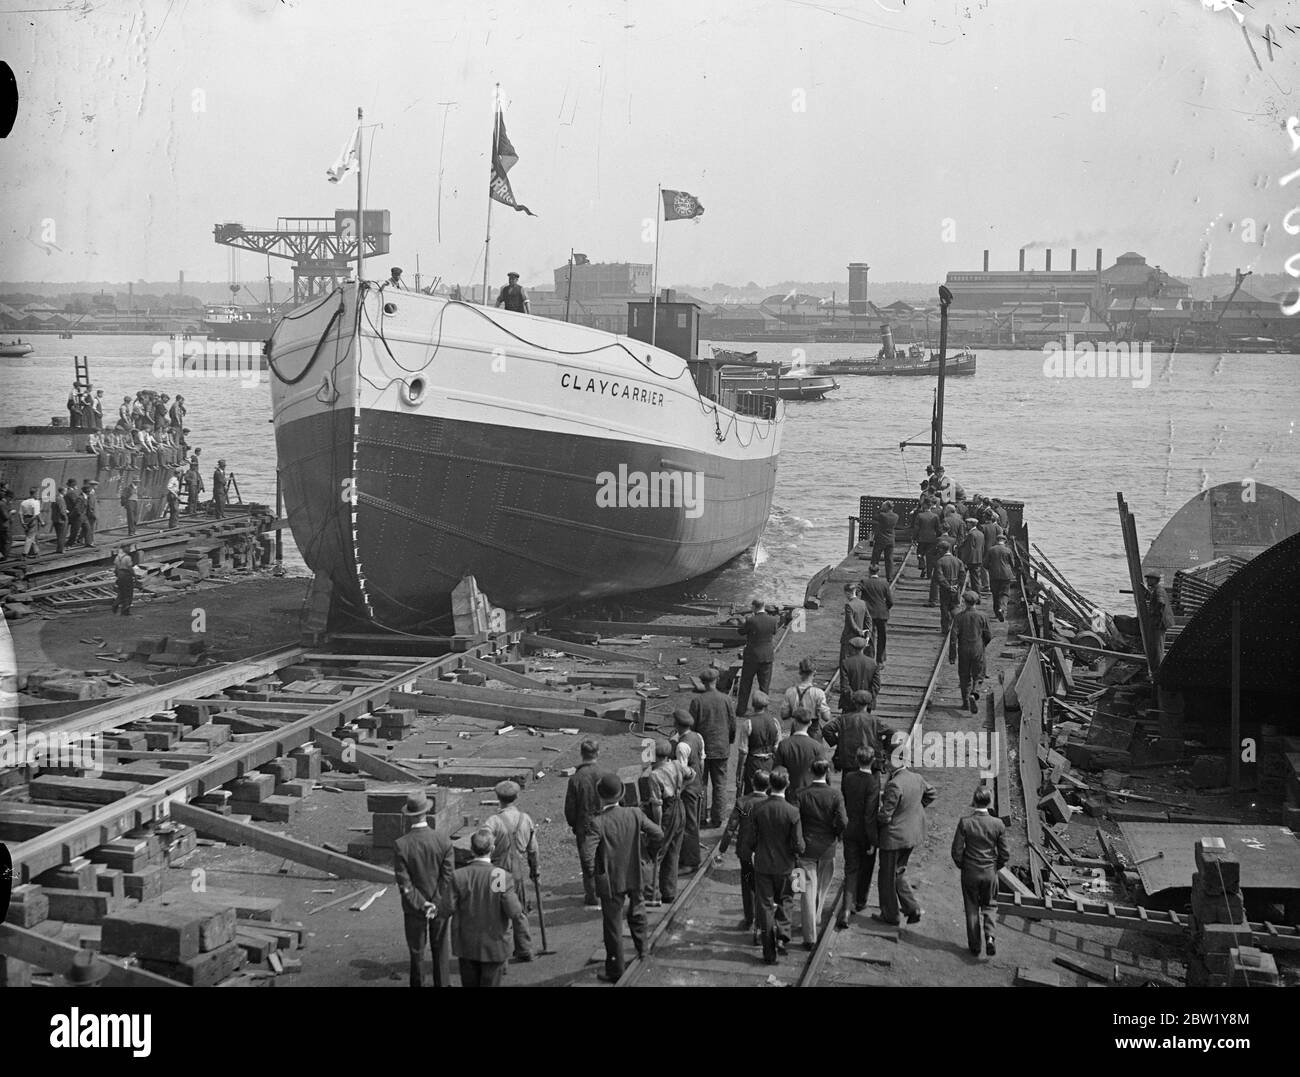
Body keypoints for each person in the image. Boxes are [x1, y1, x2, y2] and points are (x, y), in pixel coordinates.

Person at [592, 772, 662, 983]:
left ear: (601, 796)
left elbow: (587, 855)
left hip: (611, 881)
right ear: (621, 793)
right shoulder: (634, 813)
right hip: (635, 873)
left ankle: (615, 968)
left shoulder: (598, 822)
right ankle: (643, 951)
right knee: (638, 912)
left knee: (612, 925)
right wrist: (649, 854)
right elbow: (657, 834)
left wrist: (596, 873)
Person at [740, 766, 804, 964]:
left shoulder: (758, 809)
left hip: (763, 865)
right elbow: (799, 846)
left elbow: (750, 840)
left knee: (765, 905)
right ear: (787, 785)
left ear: (770, 785)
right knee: (787, 899)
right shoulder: (793, 812)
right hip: (786, 867)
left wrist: (748, 856)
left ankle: (768, 950)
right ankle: (783, 935)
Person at [392, 791, 454, 988]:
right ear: (427, 813)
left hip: (414, 907)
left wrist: (422, 903)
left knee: (417, 951)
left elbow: (404, 882)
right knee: (440, 949)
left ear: (408, 816)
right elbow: (447, 877)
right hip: (440, 904)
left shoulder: (401, 845)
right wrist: (435, 902)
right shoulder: (443, 840)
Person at [448, 828, 523, 988]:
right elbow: (514, 911)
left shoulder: (460, 875)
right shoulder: (499, 876)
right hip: (494, 944)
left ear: (471, 849)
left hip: (466, 944)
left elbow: (447, 907)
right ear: (492, 849)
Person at [875, 733, 937, 927]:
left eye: (888, 759)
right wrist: (916, 810)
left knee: (887, 876)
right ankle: (911, 908)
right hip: (912, 834)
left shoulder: (895, 784)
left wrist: (874, 814)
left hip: (894, 837)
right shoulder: (916, 777)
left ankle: (891, 915)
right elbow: (932, 793)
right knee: (898, 872)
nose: (885, 763)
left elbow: (885, 816)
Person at [484, 780, 539, 962]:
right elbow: (533, 850)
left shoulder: (493, 821)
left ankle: (502, 955)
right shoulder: (526, 819)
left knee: (498, 912)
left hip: (498, 872)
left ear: (498, 797)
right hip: (518, 871)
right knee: (519, 910)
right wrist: (534, 870)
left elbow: (484, 846)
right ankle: (525, 949)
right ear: (516, 797)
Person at [951, 786, 1009, 957]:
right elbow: (1005, 853)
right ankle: (990, 937)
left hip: (970, 871)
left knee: (971, 907)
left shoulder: (965, 822)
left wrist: (964, 865)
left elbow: (956, 851)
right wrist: (995, 866)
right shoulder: (998, 824)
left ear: (974, 801)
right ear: (989, 802)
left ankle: (975, 947)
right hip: (989, 871)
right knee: (990, 905)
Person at [793, 757, 846, 948]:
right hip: (827, 848)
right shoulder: (835, 795)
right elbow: (843, 821)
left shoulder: (800, 795)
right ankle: (816, 917)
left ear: (811, 772)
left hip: (805, 848)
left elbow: (794, 821)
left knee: (805, 889)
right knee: (823, 886)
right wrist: (837, 835)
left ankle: (809, 936)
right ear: (827, 773)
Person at [718, 768, 770, 940]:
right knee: (763, 887)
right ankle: (762, 922)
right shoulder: (771, 803)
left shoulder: (742, 803)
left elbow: (731, 826)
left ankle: (750, 917)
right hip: (765, 853)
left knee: (748, 884)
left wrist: (723, 848)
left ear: (753, 783)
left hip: (746, 852)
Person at [837, 745, 881, 928]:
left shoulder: (848, 778)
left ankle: (846, 910)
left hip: (849, 829)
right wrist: (873, 839)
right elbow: (870, 814)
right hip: (864, 832)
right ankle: (860, 901)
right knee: (867, 866)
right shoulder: (873, 782)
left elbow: (846, 800)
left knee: (851, 869)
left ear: (857, 759)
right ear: (872, 761)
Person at [645, 738, 692, 906]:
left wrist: (657, 828)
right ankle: (669, 893)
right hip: (680, 806)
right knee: (673, 851)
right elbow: (691, 774)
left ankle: (652, 895)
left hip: (667, 811)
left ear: (657, 756)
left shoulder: (654, 775)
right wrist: (682, 787)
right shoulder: (677, 765)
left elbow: (657, 805)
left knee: (656, 852)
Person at [688, 666, 735, 829]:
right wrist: (729, 740)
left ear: (702, 682)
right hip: (721, 748)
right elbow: (732, 723)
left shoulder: (696, 701)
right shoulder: (726, 699)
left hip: (702, 749)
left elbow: (691, 727)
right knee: (720, 784)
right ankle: (718, 818)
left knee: (701, 783)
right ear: (717, 680)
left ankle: (701, 817)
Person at [563, 738, 606, 909]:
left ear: (581, 754)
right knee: (604, 858)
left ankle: (592, 896)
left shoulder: (576, 779)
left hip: (585, 826)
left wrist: (574, 824)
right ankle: (606, 891)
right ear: (598, 753)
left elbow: (570, 808)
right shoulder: (605, 773)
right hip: (605, 823)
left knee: (587, 860)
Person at [822, 689, 888, 777]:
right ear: (869, 703)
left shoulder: (843, 719)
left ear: (854, 702)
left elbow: (827, 729)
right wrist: (883, 745)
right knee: (872, 787)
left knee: (849, 786)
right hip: (871, 761)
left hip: (849, 761)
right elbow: (892, 732)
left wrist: (838, 742)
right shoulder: (875, 721)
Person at [670, 710, 705, 871]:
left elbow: (682, 772)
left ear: (676, 724)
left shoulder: (682, 746)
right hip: (697, 784)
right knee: (692, 822)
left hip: (687, 789)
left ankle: (690, 862)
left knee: (687, 825)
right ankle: (691, 856)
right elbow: (701, 762)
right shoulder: (698, 737)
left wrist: (677, 791)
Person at [950, 591, 992, 714]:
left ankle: (966, 703)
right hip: (977, 648)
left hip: (963, 649)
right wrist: (983, 644)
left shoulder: (959, 617)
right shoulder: (983, 616)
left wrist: (952, 655)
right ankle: (974, 693)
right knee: (979, 674)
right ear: (976, 602)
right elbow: (988, 635)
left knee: (964, 676)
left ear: (964, 602)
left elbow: (953, 638)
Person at [772, 709, 827, 801]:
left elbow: (777, 770)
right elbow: (823, 773)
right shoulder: (817, 746)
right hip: (810, 794)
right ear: (810, 723)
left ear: (795, 723)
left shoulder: (784, 744)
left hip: (789, 793)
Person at [736, 598, 779, 716]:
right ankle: (762, 711)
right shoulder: (773, 620)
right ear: (764, 606)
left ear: (754, 607)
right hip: (767, 656)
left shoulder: (751, 620)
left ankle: (741, 710)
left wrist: (743, 621)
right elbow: (774, 632)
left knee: (745, 684)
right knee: (764, 685)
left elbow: (741, 632)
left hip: (752, 657)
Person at [734, 690, 780, 797]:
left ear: (753, 705)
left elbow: (743, 752)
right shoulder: (775, 722)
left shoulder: (748, 723)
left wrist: (739, 771)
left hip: (753, 764)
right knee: (769, 794)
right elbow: (777, 747)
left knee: (752, 794)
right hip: (770, 763)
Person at [779, 657, 831, 741]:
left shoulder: (790, 691)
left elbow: (784, 715)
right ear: (814, 672)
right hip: (813, 731)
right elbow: (826, 717)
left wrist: (794, 709)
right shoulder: (818, 693)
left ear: (800, 672)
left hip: (796, 729)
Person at [859, 563, 894, 664]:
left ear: (869, 571)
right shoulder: (884, 583)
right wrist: (886, 608)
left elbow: (856, 590)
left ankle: (869, 658)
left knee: (869, 636)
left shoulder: (864, 582)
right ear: (878, 571)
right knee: (882, 637)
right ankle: (880, 659)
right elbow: (890, 601)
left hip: (869, 614)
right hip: (882, 614)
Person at [837, 638, 881, 713]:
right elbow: (876, 686)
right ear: (864, 647)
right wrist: (867, 698)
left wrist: (854, 698)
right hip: (866, 704)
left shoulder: (846, 663)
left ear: (852, 648)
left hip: (849, 704)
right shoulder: (873, 663)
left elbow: (845, 686)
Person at [934, 539, 967, 634]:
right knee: (956, 606)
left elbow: (939, 577)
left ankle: (945, 629)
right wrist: (957, 586)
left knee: (944, 608)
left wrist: (948, 587)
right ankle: (958, 626)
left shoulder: (940, 561)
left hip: (945, 589)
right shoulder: (958, 561)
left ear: (942, 550)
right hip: (956, 588)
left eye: (939, 549)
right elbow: (963, 575)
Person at [984, 534, 1015, 622]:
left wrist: (990, 569)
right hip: (1006, 575)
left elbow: (985, 564)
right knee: (1005, 593)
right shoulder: (1008, 550)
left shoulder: (991, 550)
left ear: (997, 540)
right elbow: (1013, 564)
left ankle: (997, 613)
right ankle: (1002, 609)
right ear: (1004, 541)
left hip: (994, 575)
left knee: (995, 594)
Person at [1145, 571, 1175, 658]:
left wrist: (1153, 612)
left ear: (1155, 580)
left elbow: (1160, 603)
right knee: (1159, 644)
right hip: (1160, 622)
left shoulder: (1158, 590)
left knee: (1158, 645)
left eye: (1149, 579)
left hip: (1159, 622)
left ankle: (1158, 666)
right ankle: (1158, 663)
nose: (1147, 581)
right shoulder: (1158, 589)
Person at [913, 498, 942, 581]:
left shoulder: (920, 515)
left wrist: (914, 538)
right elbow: (938, 529)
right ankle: (929, 574)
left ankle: (923, 567)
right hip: (932, 539)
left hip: (921, 538)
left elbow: (916, 528)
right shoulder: (935, 516)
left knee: (920, 554)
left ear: (925, 505)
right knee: (930, 557)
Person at [840, 583, 869, 662]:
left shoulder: (849, 605)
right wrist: (867, 634)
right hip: (860, 638)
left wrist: (860, 632)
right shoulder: (863, 603)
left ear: (847, 593)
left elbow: (851, 622)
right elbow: (868, 620)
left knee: (845, 660)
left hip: (849, 637)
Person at [959, 517, 987, 595]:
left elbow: (969, 549)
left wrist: (964, 561)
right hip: (978, 558)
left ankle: (961, 596)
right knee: (976, 579)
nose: (966, 525)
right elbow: (982, 547)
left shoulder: (971, 534)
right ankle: (977, 596)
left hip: (970, 560)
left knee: (963, 578)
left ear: (971, 524)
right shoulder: (981, 533)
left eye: (968, 524)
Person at [871, 500, 898, 577]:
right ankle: (889, 577)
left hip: (881, 539)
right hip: (890, 539)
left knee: (875, 558)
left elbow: (875, 516)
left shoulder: (882, 515)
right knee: (889, 559)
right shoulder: (896, 516)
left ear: (886, 507)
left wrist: (880, 509)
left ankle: (873, 573)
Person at [111, 545, 135, 615]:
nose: (130, 549)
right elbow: (130, 568)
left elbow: (116, 569)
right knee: (128, 593)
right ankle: (125, 610)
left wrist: (118, 575)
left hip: (120, 576)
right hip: (126, 576)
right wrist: (134, 575)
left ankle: (115, 605)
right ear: (124, 549)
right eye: (128, 548)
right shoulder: (127, 558)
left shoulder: (117, 557)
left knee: (121, 592)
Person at [19, 488, 42, 558]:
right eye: (38, 493)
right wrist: (41, 522)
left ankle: (36, 552)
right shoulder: (36, 502)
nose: (38, 495)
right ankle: (24, 554)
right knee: (29, 538)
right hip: (32, 521)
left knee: (32, 537)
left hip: (25, 519)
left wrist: (23, 522)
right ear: (35, 494)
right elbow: (36, 515)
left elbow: (20, 513)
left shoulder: (23, 502)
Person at [63, 479, 85, 550]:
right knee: (75, 530)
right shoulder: (71, 493)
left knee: (66, 529)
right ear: (73, 485)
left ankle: (64, 542)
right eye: (75, 484)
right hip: (74, 514)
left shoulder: (66, 491)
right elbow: (75, 502)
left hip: (68, 512)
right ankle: (70, 543)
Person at [50, 484, 69, 554]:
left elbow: (53, 508)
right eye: (66, 491)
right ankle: (61, 549)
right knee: (62, 535)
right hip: (61, 520)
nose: (66, 492)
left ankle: (59, 548)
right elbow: (61, 510)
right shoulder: (61, 499)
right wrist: (66, 517)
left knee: (58, 535)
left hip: (55, 519)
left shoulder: (55, 498)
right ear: (63, 491)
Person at [80, 479, 98, 546]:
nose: (97, 486)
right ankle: (90, 541)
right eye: (95, 485)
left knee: (87, 528)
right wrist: (92, 513)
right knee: (91, 528)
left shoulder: (92, 492)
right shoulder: (90, 493)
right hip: (90, 513)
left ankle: (80, 539)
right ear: (92, 485)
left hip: (90, 513)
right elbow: (90, 504)